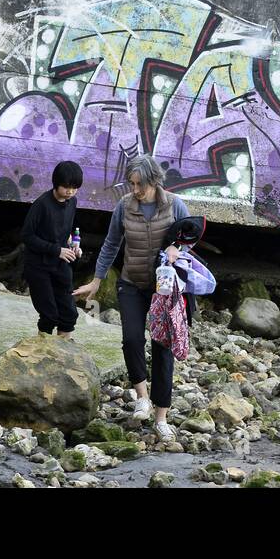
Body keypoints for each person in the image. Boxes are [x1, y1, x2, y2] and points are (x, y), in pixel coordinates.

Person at [73, 153, 189, 442]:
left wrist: (178, 249)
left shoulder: (175, 205)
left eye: (139, 184)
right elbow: (111, 243)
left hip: (163, 289)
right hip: (131, 283)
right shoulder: (124, 206)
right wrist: (97, 281)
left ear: (153, 181)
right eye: (132, 184)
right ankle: (142, 397)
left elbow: (190, 235)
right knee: (132, 339)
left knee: (163, 349)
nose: (134, 190)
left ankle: (161, 418)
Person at [21, 160, 83, 336]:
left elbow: (67, 230)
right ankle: (44, 354)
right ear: (56, 183)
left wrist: (74, 244)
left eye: (74, 187)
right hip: (38, 266)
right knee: (49, 315)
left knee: (69, 314)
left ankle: (62, 355)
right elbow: (27, 236)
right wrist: (56, 250)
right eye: (66, 187)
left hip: (61, 264)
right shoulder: (42, 205)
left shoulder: (72, 202)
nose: (70, 191)